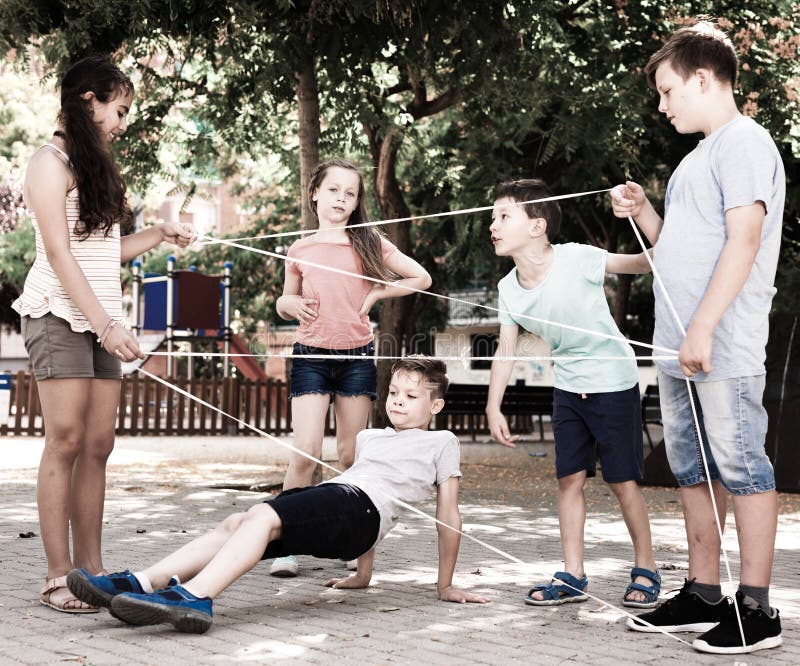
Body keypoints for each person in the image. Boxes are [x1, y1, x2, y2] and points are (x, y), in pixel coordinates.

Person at [65, 357, 488, 633]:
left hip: (357, 511)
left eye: (411, 396)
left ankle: (196, 597)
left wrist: (445, 584)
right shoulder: (371, 437)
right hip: (344, 504)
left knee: (263, 517)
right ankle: (141, 582)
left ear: (435, 406)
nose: (397, 402)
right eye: (394, 393)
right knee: (240, 522)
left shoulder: (441, 442)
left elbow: (446, 514)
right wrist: (363, 575)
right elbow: (370, 492)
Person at [609, 21, 784, 655]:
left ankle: (758, 611)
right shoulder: (694, 161)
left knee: (741, 466)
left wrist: (705, 327)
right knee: (691, 468)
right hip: (677, 344)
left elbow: (744, 242)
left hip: (721, 341)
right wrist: (644, 212)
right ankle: (704, 592)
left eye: (667, 90)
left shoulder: (745, 143)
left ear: (703, 80)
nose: (663, 105)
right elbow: (673, 248)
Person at [12, 56, 196, 614]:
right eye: (118, 110)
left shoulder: (97, 165)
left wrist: (158, 235)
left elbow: (101, 251)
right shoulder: (49, 163)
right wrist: (106, 323)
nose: (122, 123)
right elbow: (60, 254)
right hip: (58, 313)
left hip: (98, 316)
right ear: (87, 99)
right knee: (64, 439)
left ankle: (91, 572)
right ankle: (55, 576)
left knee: (99, 445)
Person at [485, 178, 660, 609]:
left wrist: (645, 215)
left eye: (503, 216)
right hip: (568, 387)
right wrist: (493, 406)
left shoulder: (577, 258)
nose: (493, 224)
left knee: (623, 482)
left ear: (537, 226)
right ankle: (574, 575)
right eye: (493, 217)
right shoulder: (508, 288)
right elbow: (506, 350)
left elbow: (644, 263)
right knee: (569, 480)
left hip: (613, 381)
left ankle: (647, 568)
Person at [270, 158, 431, 577]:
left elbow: (421, 278)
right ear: (315, 194)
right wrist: (288, 304)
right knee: (305, 450)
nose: (342, 198)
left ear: (357, 201)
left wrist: (378, 294)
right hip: (311, 356)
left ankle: (352, 540)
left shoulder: (368, 240)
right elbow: (285, 301)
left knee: (349, 454)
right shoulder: (299, 248)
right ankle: (284, 543)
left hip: (357, 357)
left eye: (351, 193)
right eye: (334, 190)